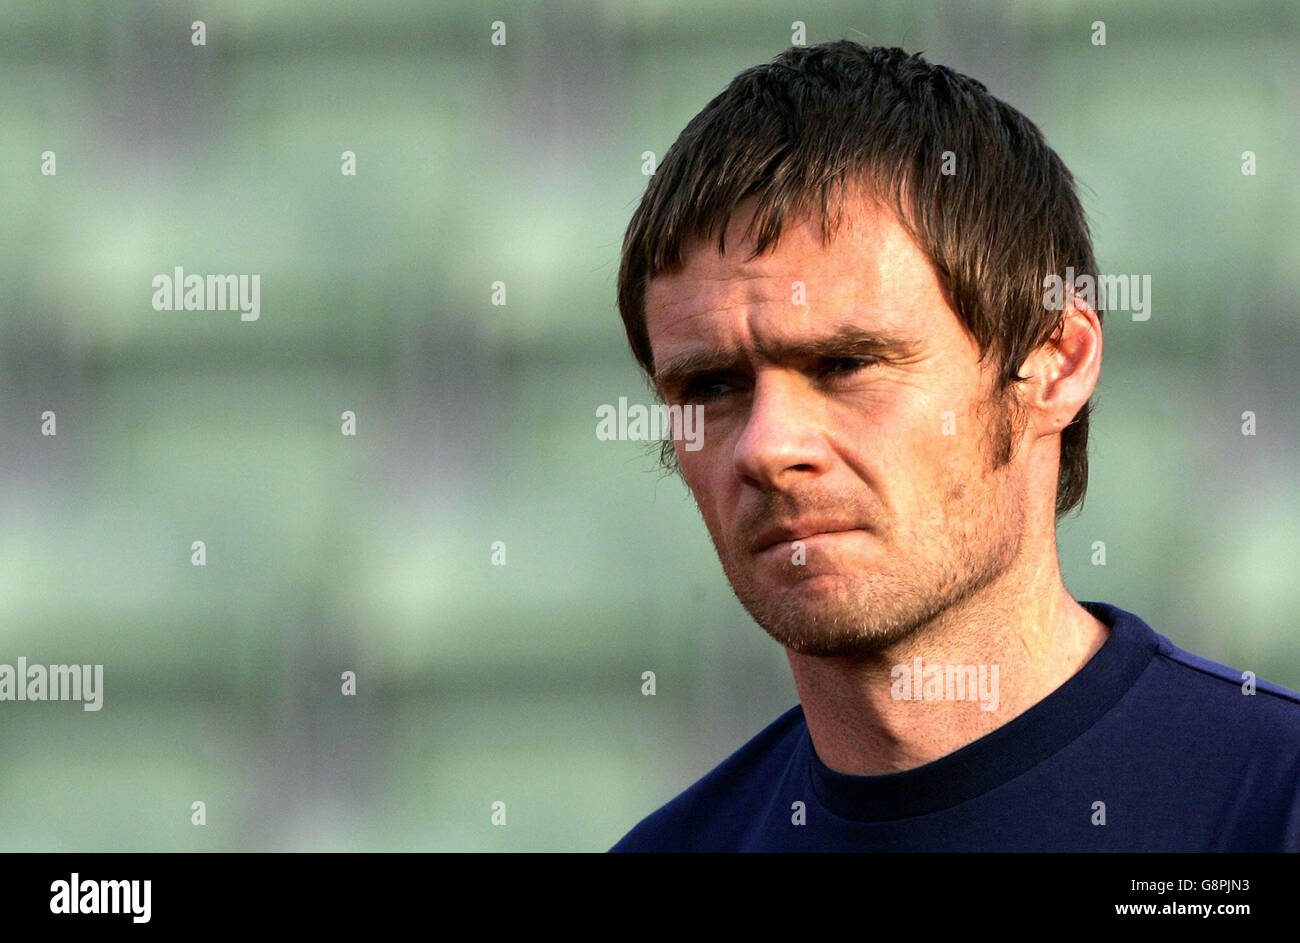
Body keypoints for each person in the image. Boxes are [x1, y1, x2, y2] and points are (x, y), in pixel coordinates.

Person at [608, 41, 1300, 851]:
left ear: (1054, 363)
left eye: (846, 363)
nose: (767, 446)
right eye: (712, 388)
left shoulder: (1270, 806)